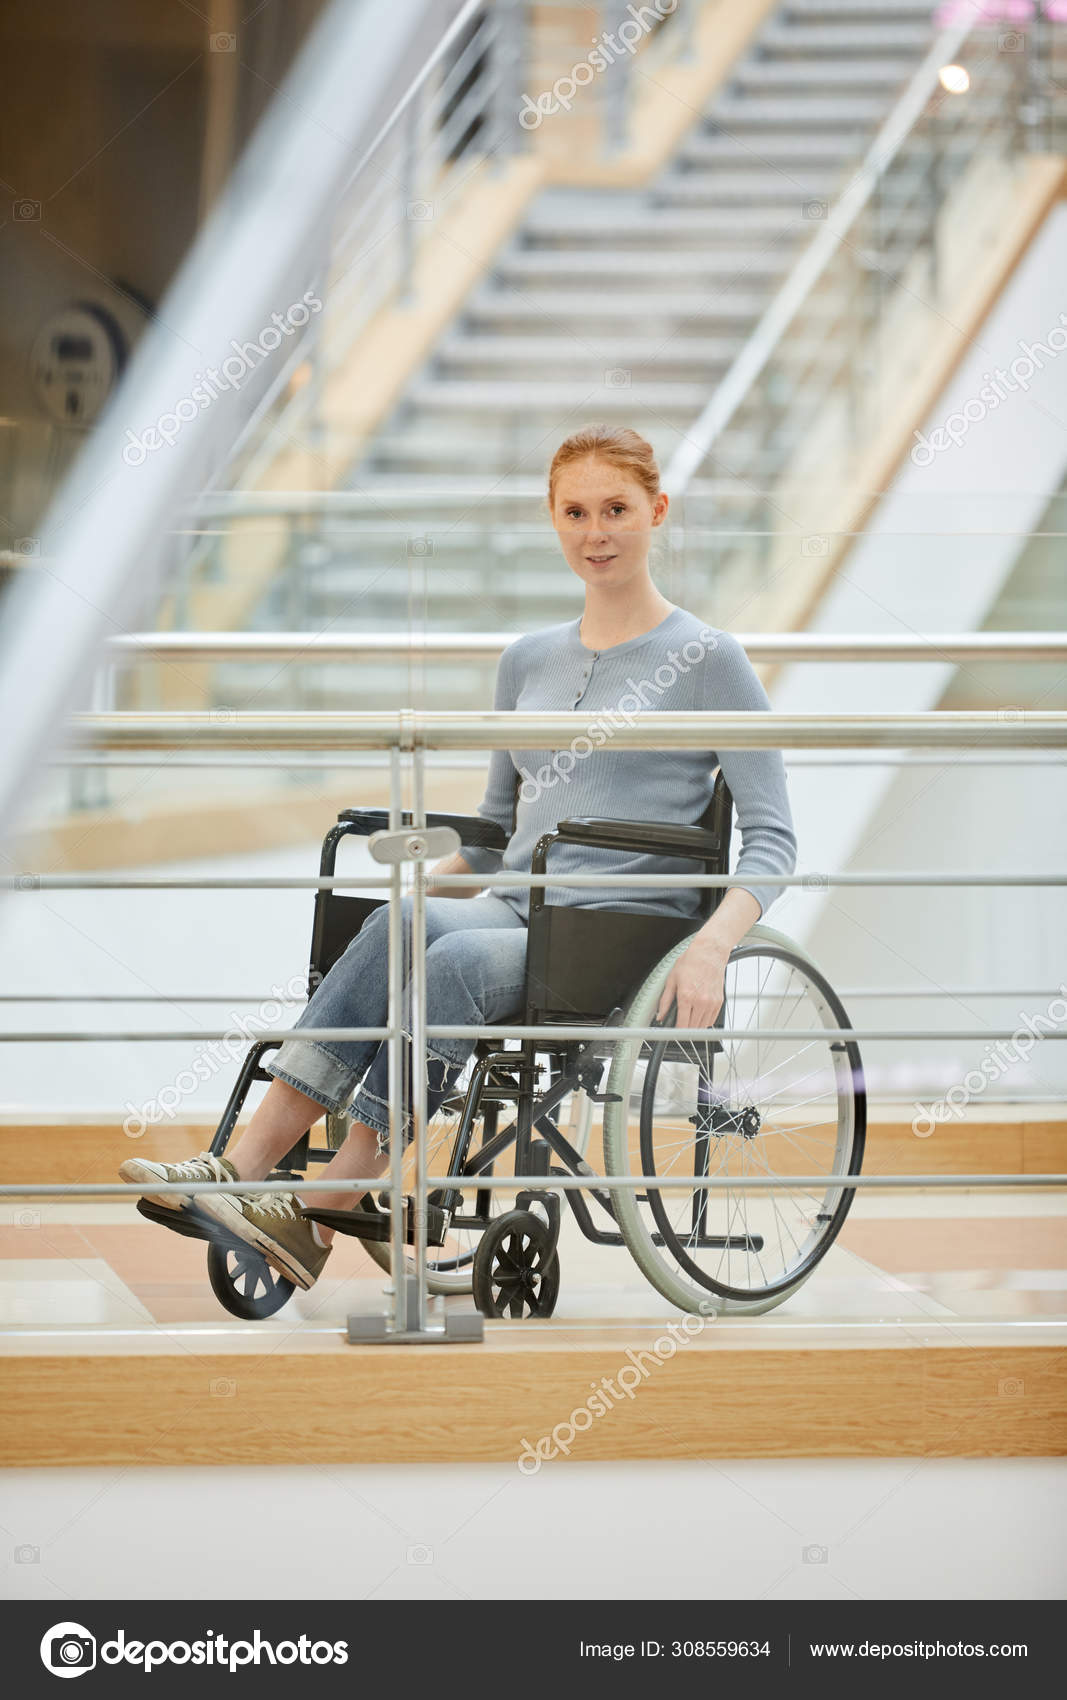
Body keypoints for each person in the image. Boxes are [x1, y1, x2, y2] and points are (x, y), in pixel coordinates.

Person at [119, 424, 797, 1290]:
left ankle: (339, 1190)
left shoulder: (709, 660)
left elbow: (773, 839)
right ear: (552, 520)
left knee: (460, 957)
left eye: (617, 510)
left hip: (617, 932)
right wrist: (414, 911)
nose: (597, 533)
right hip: (518, 907)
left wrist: (711, 945)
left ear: (657, 512)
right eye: (576, 511)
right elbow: (490, 827)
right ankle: (242, 1170)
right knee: (404, 921)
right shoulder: (527, 661)